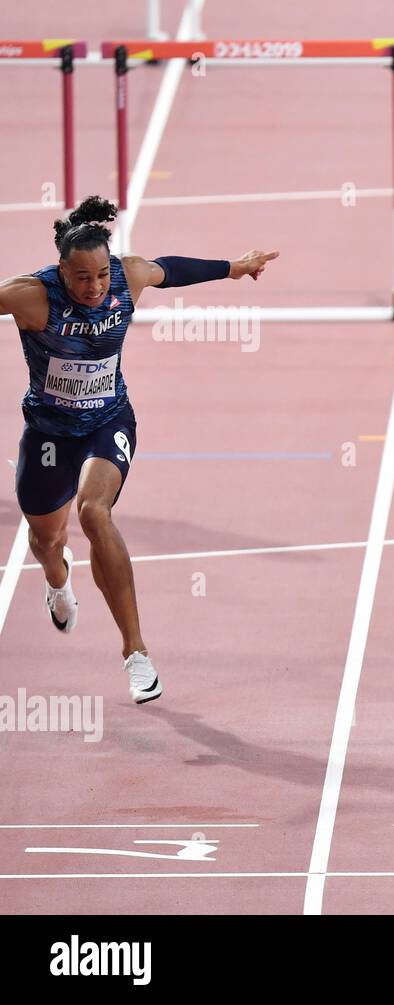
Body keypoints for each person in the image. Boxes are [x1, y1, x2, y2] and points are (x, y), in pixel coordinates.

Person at [1, 196, 278, 702]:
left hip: (109, 421)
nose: (96, 286)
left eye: (102, 274)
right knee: (46, 542)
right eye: (83, 278)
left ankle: (136, 653)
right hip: (47, 433)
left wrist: (235, 268)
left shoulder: (127, 277)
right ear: (62, 271)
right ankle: (57, 579)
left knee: (93, 511)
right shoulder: (30, 297)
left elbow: (169, 270)